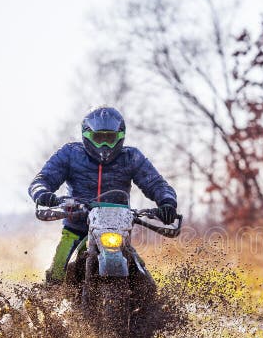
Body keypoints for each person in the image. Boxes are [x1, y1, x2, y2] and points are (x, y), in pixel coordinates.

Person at [28, 106, 177, 284]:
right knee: (56, 274)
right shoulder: (70, 154)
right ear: (87, 136)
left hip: (118, 231)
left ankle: (153, 302)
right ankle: (47, 299)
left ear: (120, 136)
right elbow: (41, 180)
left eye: (110, 138)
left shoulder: (132, 157)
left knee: (146, 285)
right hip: (76, 228)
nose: (104, 145)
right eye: (99, 138)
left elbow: (156, 184)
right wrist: (43, 194)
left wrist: (167, 202)